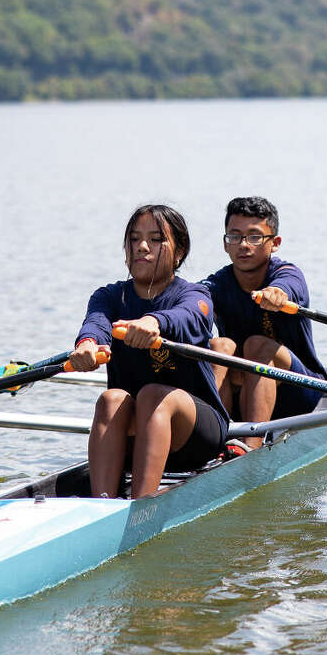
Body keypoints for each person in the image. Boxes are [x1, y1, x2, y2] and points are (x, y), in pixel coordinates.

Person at [68, 204, 230, 499]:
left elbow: (190, 317)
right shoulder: (109, 296)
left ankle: (142, 508)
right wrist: (88, 345)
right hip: (135, 435)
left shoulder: (195, 294)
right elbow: (95, 324)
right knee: (111, 398)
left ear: (179, 252)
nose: (142, 246)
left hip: (196, 438)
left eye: (156, 239)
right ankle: (100, 506)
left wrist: (153, 322)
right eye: (134, 239)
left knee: (154, 394)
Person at [205, 196, 327, 445]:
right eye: (235, 236)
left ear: (275, 243)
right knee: (219, 347)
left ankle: (251, 448)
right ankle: (212, 444)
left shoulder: (287, 274)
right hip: (244, 392)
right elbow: (190, 302)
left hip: (299, 392)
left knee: (256, 345)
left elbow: (288, 285)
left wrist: (277, 294)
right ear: (225, 244)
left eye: (254, 237)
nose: (243, 245)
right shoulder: (217, 284)